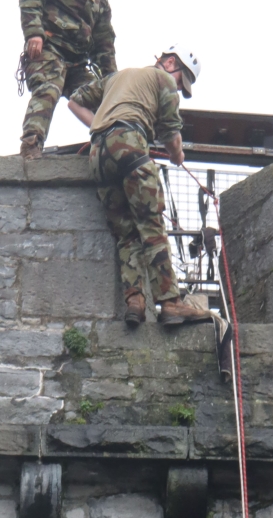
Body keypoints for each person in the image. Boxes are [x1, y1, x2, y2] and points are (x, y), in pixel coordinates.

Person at [67, 48, 212, 327]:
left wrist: (99, 125)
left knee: (125, 234)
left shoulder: (116, 78)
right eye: (183, 81)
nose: (179, 88)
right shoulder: (164, 80)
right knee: (151, 226)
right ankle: (170, 303)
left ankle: (135, 302)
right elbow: (171, 133)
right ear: (171, 63)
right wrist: (177, 155)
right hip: (131, 145)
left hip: (98, 155)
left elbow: (74, 102)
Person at [18, 0, 125, 158]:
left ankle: (113, 151)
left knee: (103, 102)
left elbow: (104, 44)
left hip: (76, 64)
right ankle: (31, 145)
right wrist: (34, 33)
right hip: (47, 50)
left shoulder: (101, 0)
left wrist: (112, 85)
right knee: (50, 85)